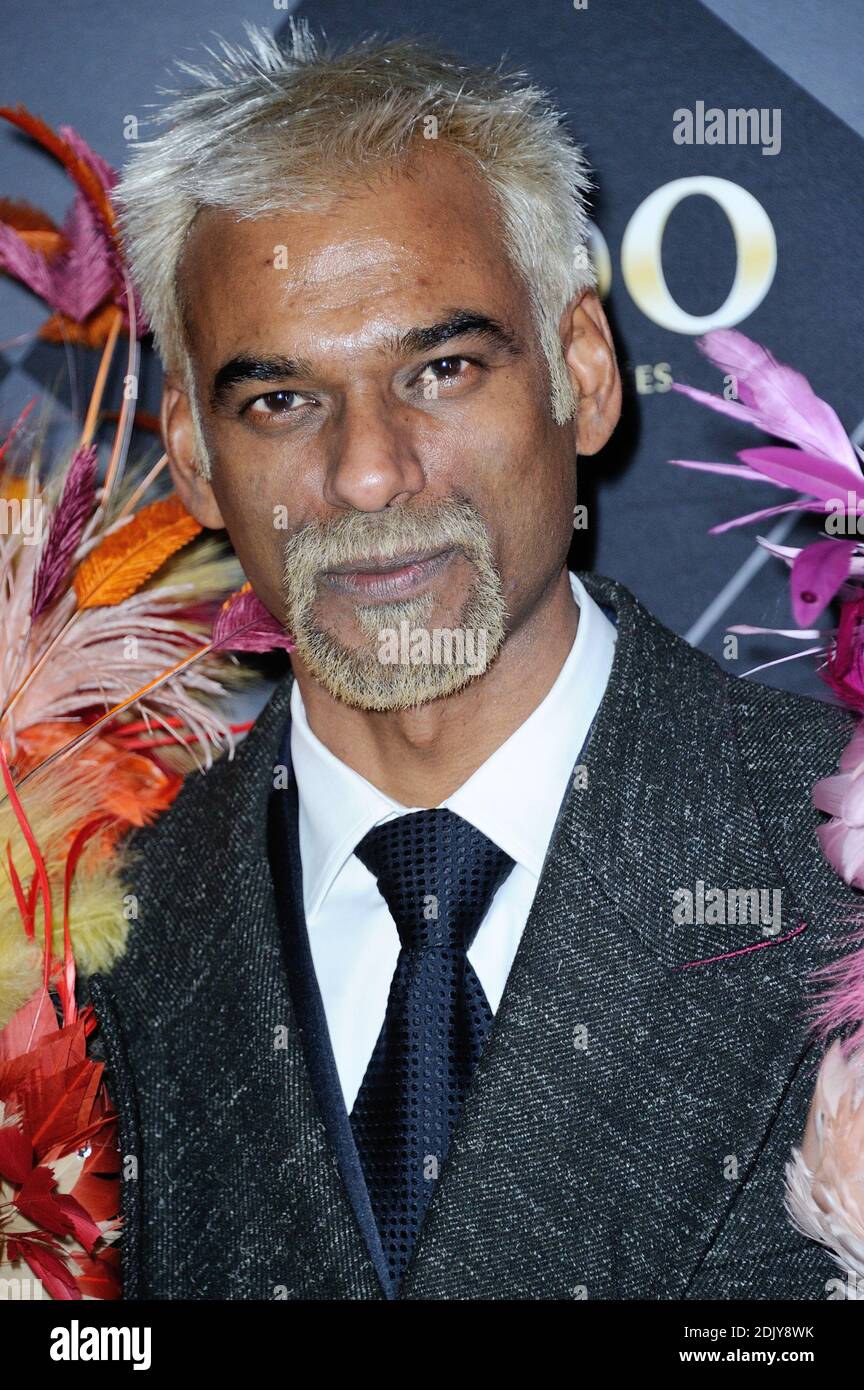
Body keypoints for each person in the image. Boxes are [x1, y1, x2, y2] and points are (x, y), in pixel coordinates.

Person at [83, 17, 856, 1300]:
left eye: (440, 368)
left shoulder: (844, 880)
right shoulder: (81, 961)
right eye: (280, 399)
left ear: (585, 371)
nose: (369, 471)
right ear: (195, 458)